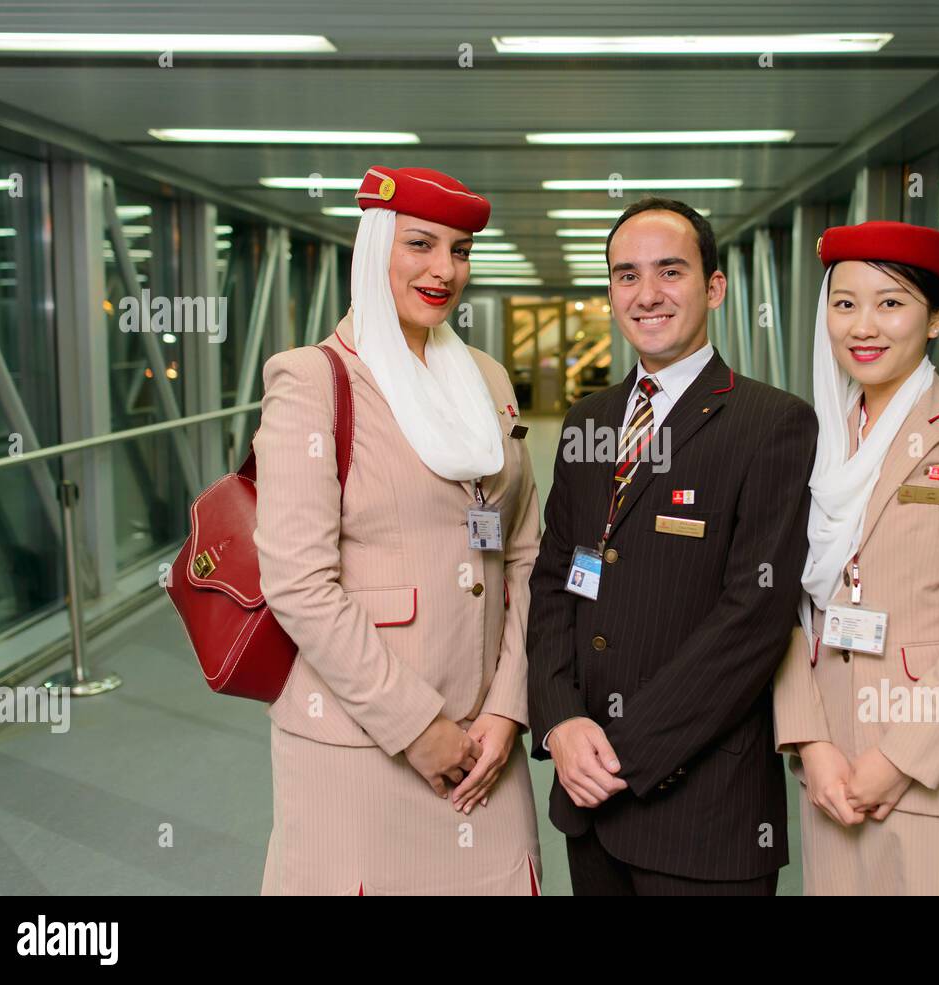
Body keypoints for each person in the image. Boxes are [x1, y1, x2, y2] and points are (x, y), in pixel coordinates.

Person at [255, 166, 541, 895]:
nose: (443, 269)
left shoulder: (487, 378)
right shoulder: (314, 380)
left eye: (460, 250)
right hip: (363, 740)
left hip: (486, 738)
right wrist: (417, 725)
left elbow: (525, 554)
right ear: (374, 246)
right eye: (420, 243)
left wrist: (509, 705)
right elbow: (298, 582)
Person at [527, 197, 818, 895]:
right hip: (587, 800)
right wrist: (561, 721)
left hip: (703, 812)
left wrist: (621, 753)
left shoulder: (771, 422)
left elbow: (755, 616)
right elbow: (553, 580)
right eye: (626, 275)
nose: (647, 294)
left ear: (713, 288)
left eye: (670, 271)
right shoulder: (588, 419)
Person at [773, 220, 939, 895]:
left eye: (890, 302)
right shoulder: (814, 443)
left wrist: (898, 759)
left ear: (935, 320)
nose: (864, 325)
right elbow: (779, 605)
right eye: (845, 303)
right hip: (834, 779)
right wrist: (812, 742)